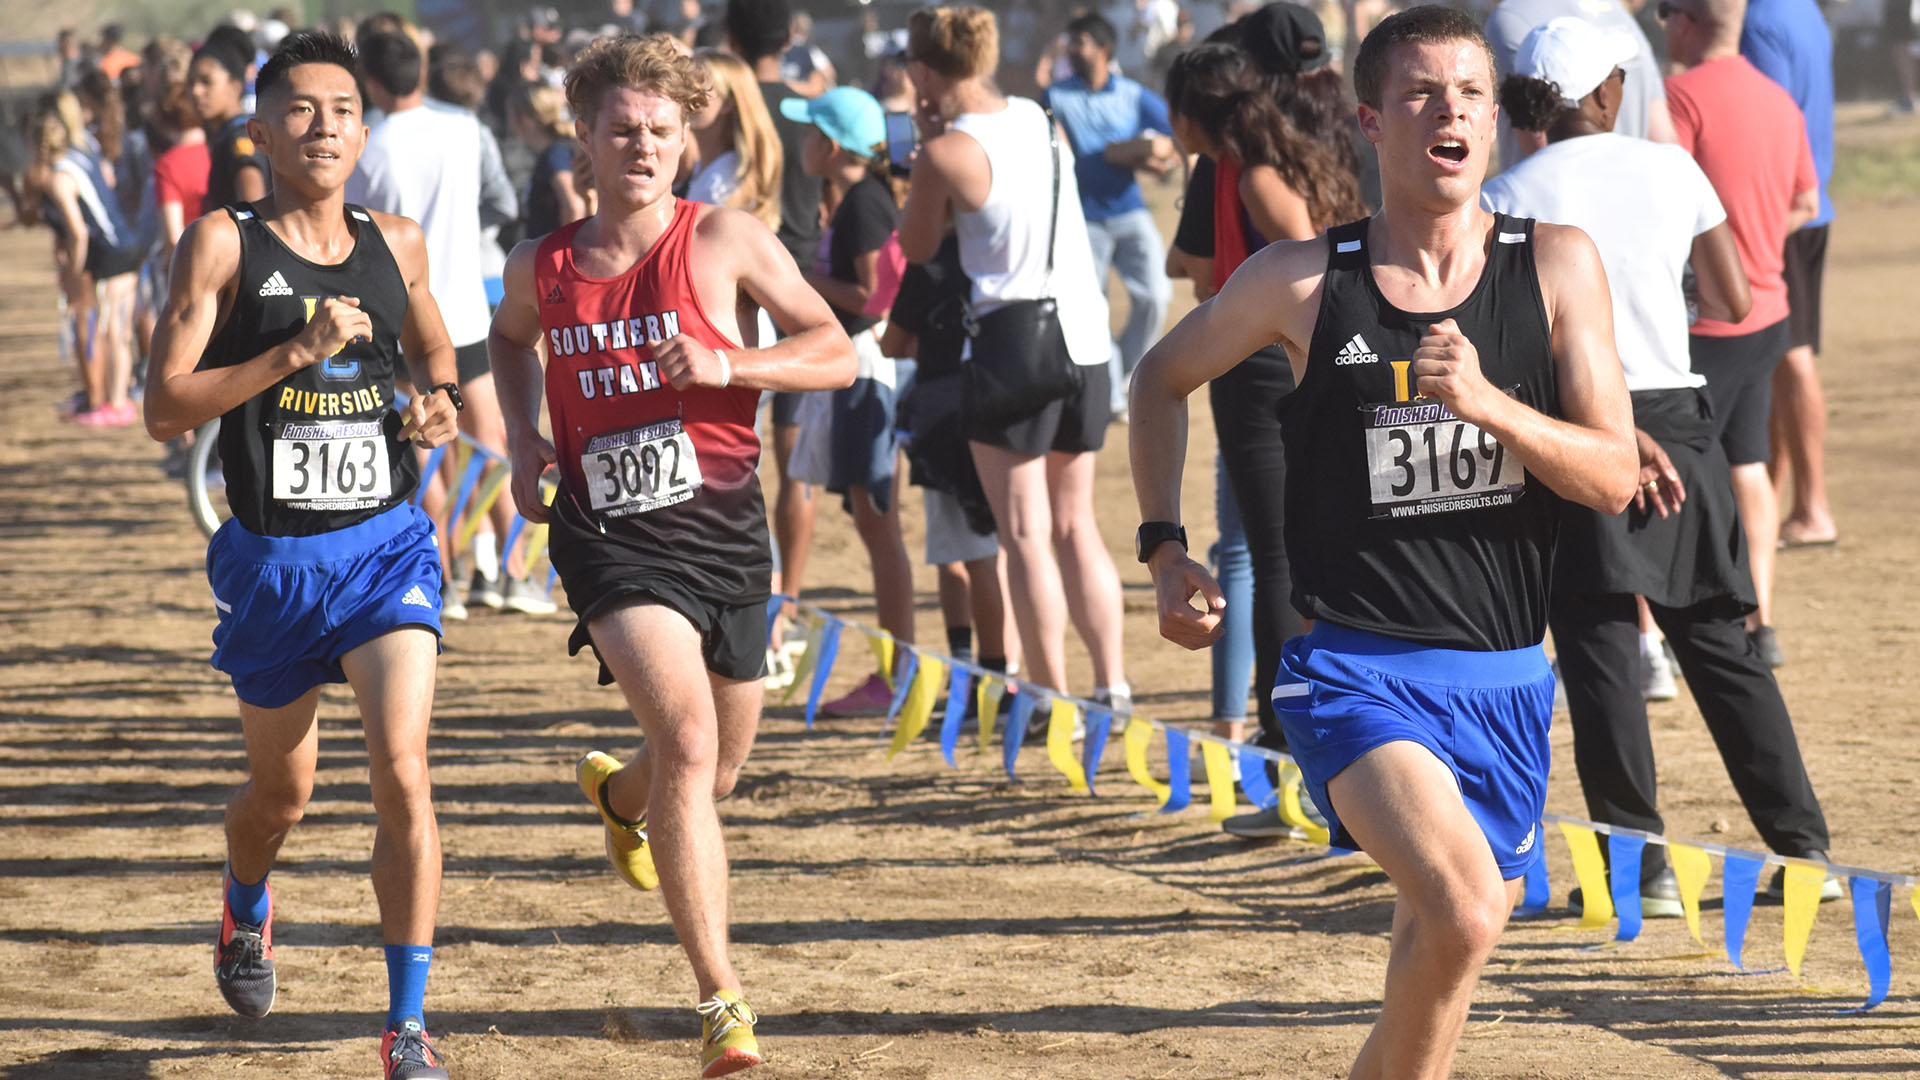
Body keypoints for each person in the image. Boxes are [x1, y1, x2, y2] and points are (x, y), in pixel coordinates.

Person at [1130, 10, 1636, 1077]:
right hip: (1354, 672)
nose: (1448, 108)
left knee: (1438, 961)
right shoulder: (1304, 279)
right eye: (1420, 92)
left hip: (1507, 685)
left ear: (1495, 120)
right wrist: (1165, 546)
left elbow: (1612, 473)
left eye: (1469, 92)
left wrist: (1494, 408)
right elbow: (1160, 379)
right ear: (1369, 120)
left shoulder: (1557, 267)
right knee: (1460, 913)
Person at [487, 33, 855, 1077]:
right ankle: (722, 1004)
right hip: (610, 539)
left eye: (659, 129)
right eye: (621, 130)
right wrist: (522, 434)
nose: (641, 146)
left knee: (718, 768)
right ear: (585, 141)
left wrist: (729, 362)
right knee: (691, 742)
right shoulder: (543, 267)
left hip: (728, 533)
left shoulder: (726, 242)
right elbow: (507, 339)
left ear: (687, 139)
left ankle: (619, 799)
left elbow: (833, 350)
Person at [139, 32, 463, 1080]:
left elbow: (436, 347)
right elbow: (161, 407)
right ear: (262, 129)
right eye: (301, 110)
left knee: (404, 776)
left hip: (385, 549)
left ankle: (405, 1026)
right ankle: (245, 902)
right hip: (274, 564)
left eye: (341, 110)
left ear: (366, 132)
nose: (323, 127)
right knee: (280, 801)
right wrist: (291, 352)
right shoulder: (221, 246)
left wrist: (441, 406)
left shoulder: (397, 240)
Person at [1483, 14, 1837, 915]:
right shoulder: (1671, 170)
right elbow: (1729, 295)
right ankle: (1806, 852)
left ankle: (1638, 875)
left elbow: (1503, 337)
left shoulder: (1508, 191)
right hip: (1676, 422)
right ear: (1608, 91)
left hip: (1567, 429)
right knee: (1721, 643)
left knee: (1600, 651)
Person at [1162, 26, 1370, 837]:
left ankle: (1295, 772)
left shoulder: (1252, 175)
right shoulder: (1243, 165)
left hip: (1266, 374)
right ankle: (1297, 767)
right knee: (1277, 556)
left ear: (1194, 114)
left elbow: (1311, 265)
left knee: (1280, 560)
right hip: (1261, 366)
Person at [899, 4, 1128, 711]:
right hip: (1086, 336)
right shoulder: (1039, 117)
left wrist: (922, 144)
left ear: (921, 72)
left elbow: (913, 247)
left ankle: (1051, 699)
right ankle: (1111, 686)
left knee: (1025, 534)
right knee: (1075, 524)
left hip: (1010, 343)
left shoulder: (946, 152)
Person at [351, 31, 548, 618]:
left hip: (401, 312)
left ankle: (447, 577)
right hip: (466, 308)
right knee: (492, 444)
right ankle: (513, 575)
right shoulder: (466, 127)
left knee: (425, 445)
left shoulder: (367, 143)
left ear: (373, 83)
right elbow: (502, 202)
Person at [1663, 0, 1819, 668]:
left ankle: (1653, 634)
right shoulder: (1779, 99)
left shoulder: (1680, 96)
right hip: (1770, 311)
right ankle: (1762, 621)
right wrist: (1755, 247)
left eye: (1667, 9)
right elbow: (1806, 201)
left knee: (1667, 473)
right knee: (1749, 464)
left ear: (1687, 19)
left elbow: (1667, 201)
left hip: (1705, 321)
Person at [778, 86, 917, 715]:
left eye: (809, 132)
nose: (801, 142)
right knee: (872, 523)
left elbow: (872, 295)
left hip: (866, 373)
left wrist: (795, 275)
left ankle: (898, 675)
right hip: (861, 372)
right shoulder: (862, 196)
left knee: (879, 526)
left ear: (830, 146)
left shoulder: (862, 201)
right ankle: (898, 673)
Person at [726, 0, 826, 641]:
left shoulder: (725, 105)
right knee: (797, 465)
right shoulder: (808, 107)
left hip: (735, 293)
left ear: (729, 36)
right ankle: (787, 598)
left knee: (742, 458)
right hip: (805, 291)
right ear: (791, 37)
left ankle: (755, 595)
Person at [883, 232, 1018, 685]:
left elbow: (892, 343)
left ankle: (989, 676)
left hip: (945, 418)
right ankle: (983, 669)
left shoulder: (932, 259)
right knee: (988, 550)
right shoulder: (1004, 249)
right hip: (1005, 407)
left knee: (964, 553)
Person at [1043, 11, 1176, 420]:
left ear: (1104, 49)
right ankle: (1113, 397)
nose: (1072, 49)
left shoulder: (1132, 95)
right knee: (1093, 305)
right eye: (1070, 42)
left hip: (1129, 209)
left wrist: (1158, 155)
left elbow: (1173, 135)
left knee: (1157, 294)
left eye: (1079, 41)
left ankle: (1128, 372)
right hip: (1081, 218)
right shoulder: (1055, 96)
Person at [1742, 0, 1838, 549]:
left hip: (1782, 215)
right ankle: (1788, 501)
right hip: (1810, 205)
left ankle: (1812, 507)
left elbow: (1769, 121)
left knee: (1791, 354)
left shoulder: (1759, 21)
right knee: (1785, 355)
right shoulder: (1802, 10)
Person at [1483, 0, 1676, 169]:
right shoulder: (1620, 14)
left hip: (1549, 205)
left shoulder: (1510, 18)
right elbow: (1666, 141)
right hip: (1636, 196)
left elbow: (1539, 149)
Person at [688, 49, 784, 230]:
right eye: (683, 85)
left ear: (728, 102)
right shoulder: (706, 169)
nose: (685, 96)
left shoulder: (723, 185)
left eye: (698, 88)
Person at [190, 39, 269, 213]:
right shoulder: (224, 133)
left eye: (206, 81)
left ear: (235, 86)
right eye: (191, 82)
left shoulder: (240, 135)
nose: (195, 91)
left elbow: (252, 207)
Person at [510, 82, 589, 239]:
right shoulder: (553, 152)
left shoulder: (554, 155)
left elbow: (573, 206)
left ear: (522, 119)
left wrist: (563, 254)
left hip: (550, 259)